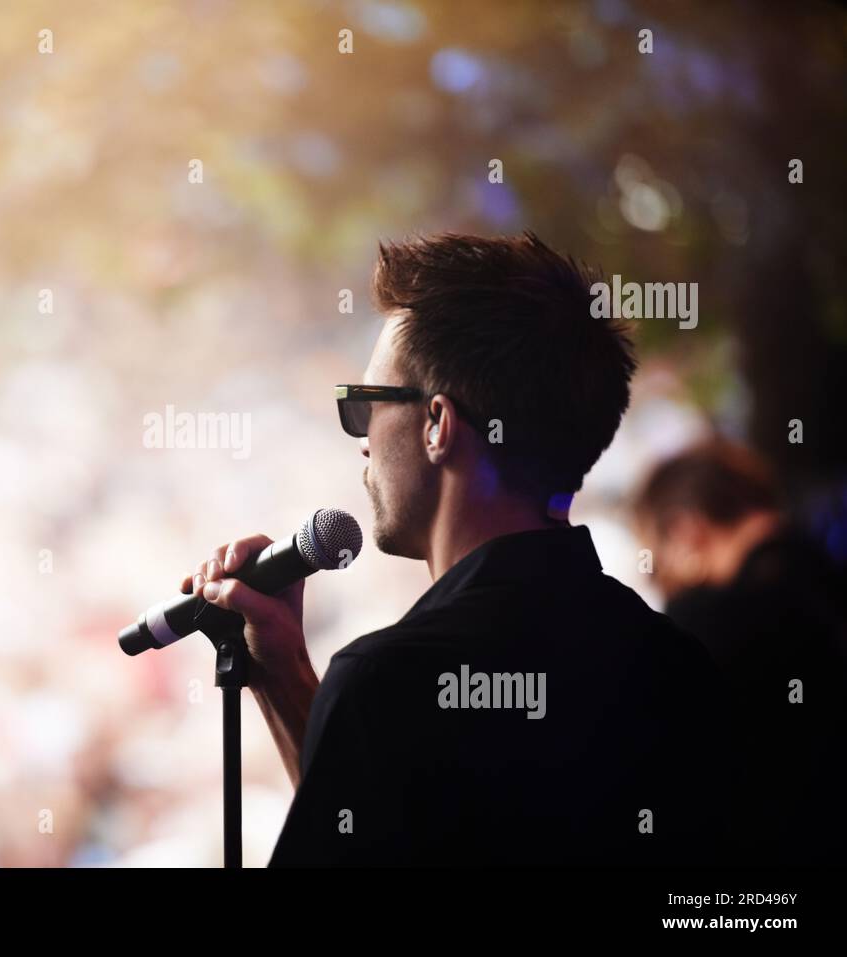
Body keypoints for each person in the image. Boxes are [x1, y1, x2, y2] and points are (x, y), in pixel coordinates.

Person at [178, 232, 726, 866]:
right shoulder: (677, 665)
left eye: (365, 407)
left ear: (438, 424)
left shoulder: (390, 682)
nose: (361, 442)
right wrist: (283, 676)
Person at [632, 441, 847, 865]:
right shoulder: (826, 557)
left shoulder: (710, 620)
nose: (667, 585)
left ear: (685, 531)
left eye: (659, 566)